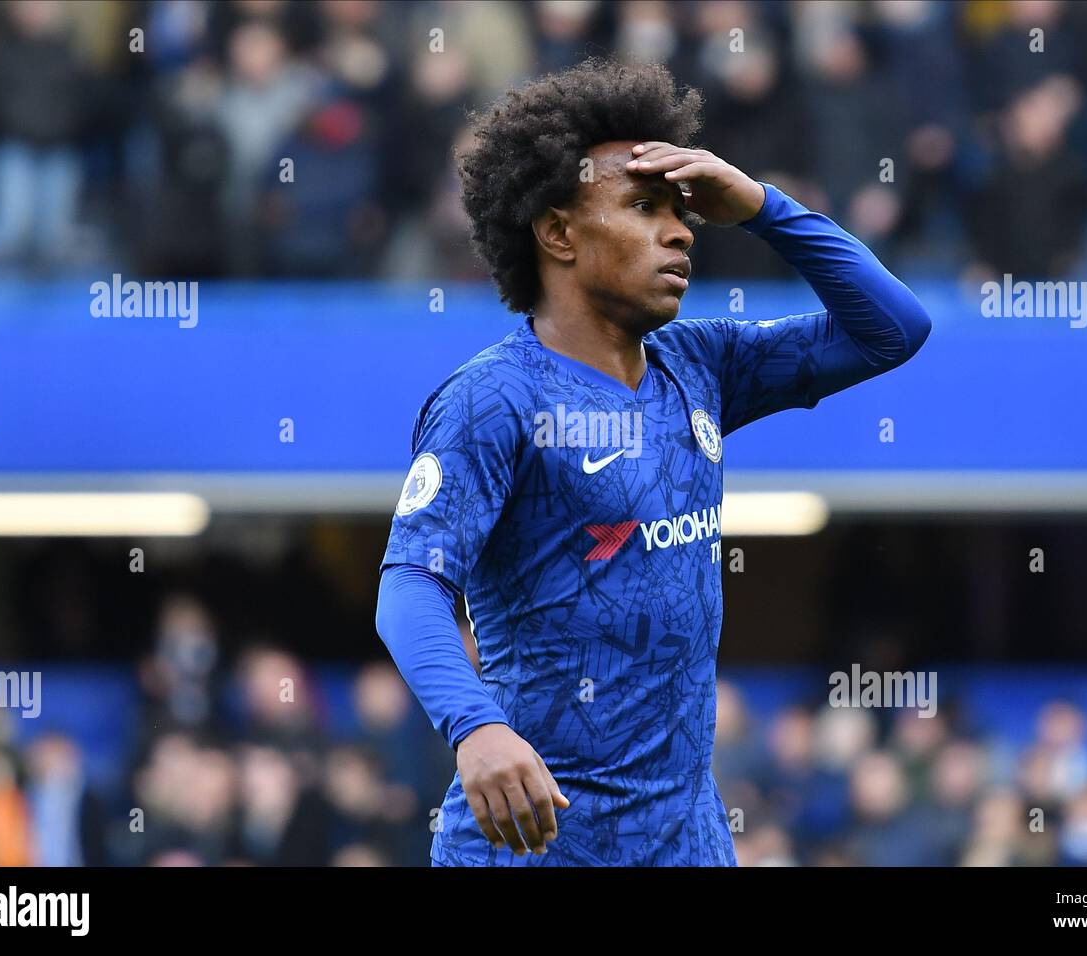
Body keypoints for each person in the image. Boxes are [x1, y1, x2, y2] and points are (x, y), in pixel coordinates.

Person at [375, 57, 931, 866]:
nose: (680, 232)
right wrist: (476, 727)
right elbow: (411, 583)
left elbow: (893, 329)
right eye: (644, 208)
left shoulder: (702, 364)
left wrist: (763, 207)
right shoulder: (493, 399)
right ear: (558, 233)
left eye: (682, 212)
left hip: (687, 839)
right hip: (536, 840)